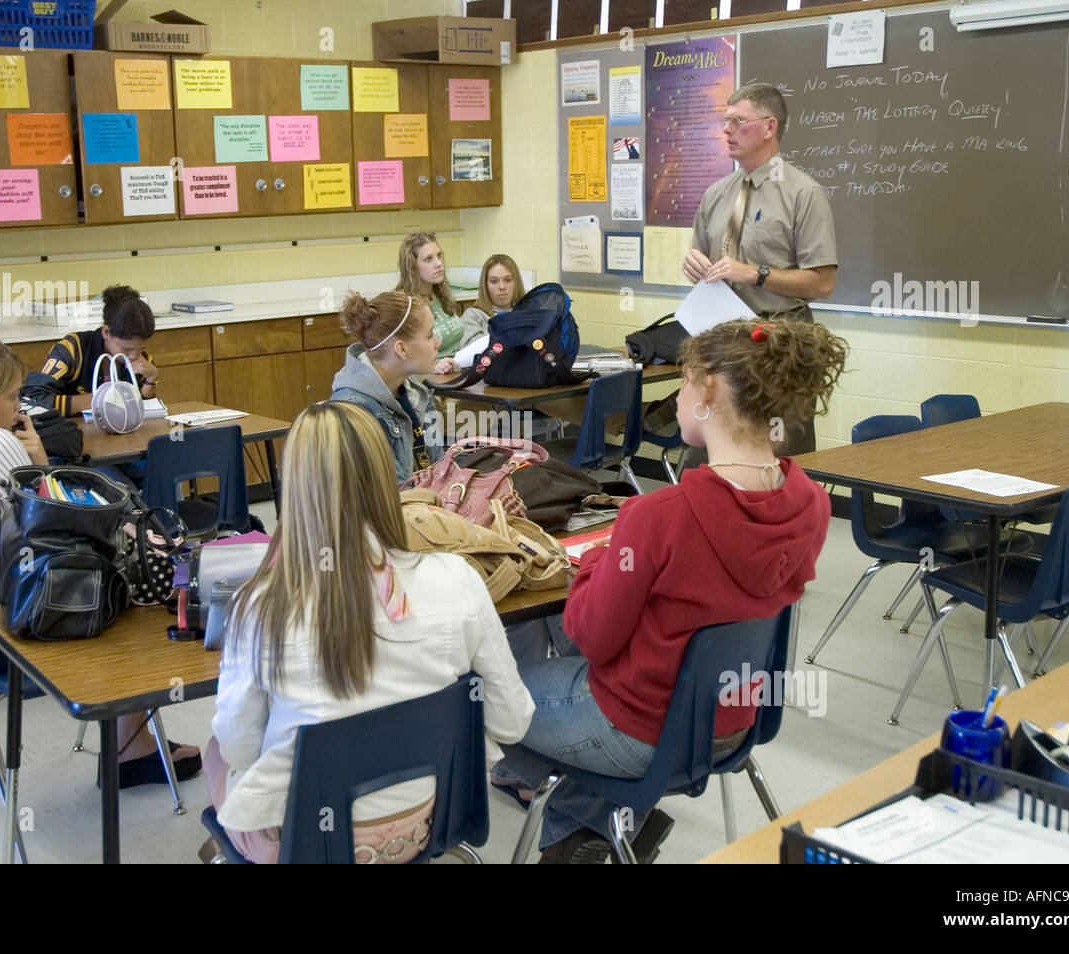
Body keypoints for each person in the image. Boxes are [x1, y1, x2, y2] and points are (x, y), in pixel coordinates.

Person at [494, 318, 848, 863]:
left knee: (483, 691)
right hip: (730, 720)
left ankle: (590, 824)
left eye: (683, 383)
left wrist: (594, 566)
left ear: (706, 391)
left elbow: (593, 638)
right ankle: (592, 828)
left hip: (641, 731)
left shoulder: (660, 514)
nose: (679, 397)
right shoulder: (810, 502)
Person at [205, 401, 534, 863]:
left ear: (294, 486)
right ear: (387, 476)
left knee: (217, 751)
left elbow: (241, 749)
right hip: (425, 824)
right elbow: (512, 721)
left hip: (308, 843)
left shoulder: (260, 606)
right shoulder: (458, 578)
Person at [0, 331, 200, 787]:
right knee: (134, 594)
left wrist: (39, 462)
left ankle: (132, 743)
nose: (20, 407)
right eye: (11, 395)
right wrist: (40, 458)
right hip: (1, 641)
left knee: (109, 575)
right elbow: (65, 525)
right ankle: (131, 751)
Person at [680, 83, 838, 455]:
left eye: (738, 121)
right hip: (721, 341)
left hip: (779, 341)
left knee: (781, 450)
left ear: (769, 127)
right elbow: (704, 262)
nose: (726, 130)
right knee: (712, 450)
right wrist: (693, 265)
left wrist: (755, 273)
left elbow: (824, 282)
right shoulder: (716, 193)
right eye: (725, 120)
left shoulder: (803, 194)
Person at [330, 291, 443, 484]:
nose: (438, 343)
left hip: (423, 507)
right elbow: (391, 499)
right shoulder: (354, 412)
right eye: (430, 335)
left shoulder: (416, 393)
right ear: (401, 349)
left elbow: (441, 472)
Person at [22, 285, 159, 417]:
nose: (134, 357)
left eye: (141, 349)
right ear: (106, 332)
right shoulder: (72, 349)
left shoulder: (142, 360)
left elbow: (141, 412)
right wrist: (100, 399)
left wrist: (150, 381)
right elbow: (35, 399)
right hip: (70, 431)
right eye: (127, 349)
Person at [393, 232, 475, 373]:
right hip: (426, 382)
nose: (438, 264)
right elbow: (399, 361)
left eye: (439, 256)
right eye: (428, 259)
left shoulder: (440, 293)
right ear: (412, 267)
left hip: (454, 373)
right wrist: (433, 368)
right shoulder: (403, 305)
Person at [458, 253, 527, 344]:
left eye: (508, 280)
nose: (502, 287)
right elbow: (472, 353)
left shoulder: (530, 313)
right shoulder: (473, 317)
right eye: (494, 281)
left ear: (516, 283)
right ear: (485, 285)